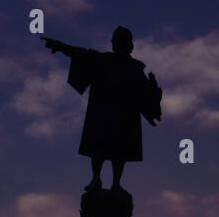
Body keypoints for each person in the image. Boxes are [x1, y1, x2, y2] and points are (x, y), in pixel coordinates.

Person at [41, 26, 162, 190]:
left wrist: (151, 107)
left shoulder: (134, 68)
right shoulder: (103, 60)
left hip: (124, 115)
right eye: (116, 40)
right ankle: (96, 178)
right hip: (103, 113)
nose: (116, 43)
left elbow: (144, 94)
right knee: (98, 147)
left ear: (128, 44)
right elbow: (80, 54)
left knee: (120, 152)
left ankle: (116, 183)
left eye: (120, 40)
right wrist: (61, 46)